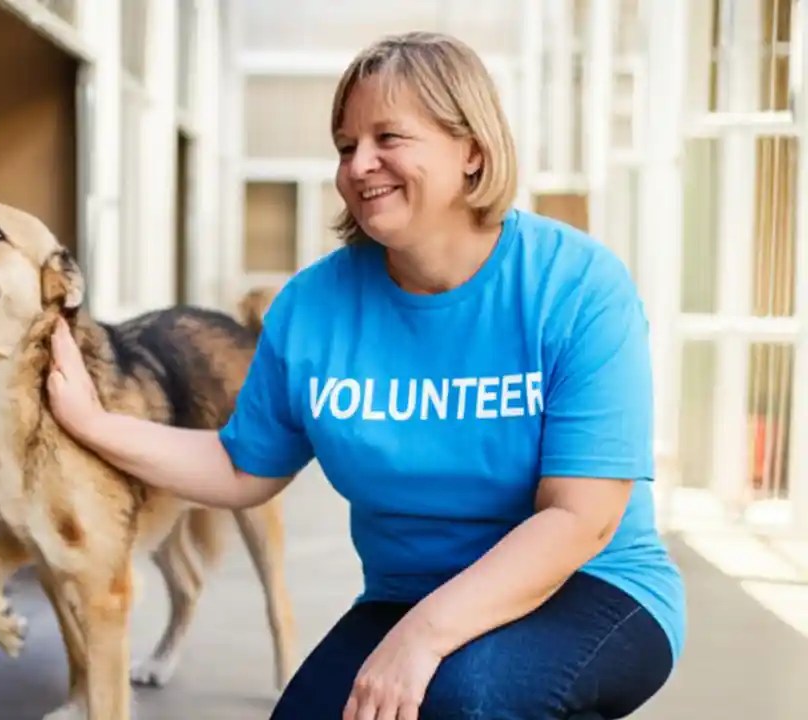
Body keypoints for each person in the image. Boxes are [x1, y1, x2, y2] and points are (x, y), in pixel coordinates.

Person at [45, 30, 685, 720]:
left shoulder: (576, 286)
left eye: (389, 137)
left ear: (472, 149)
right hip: (405, 591)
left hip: (589, 586)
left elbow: (579, 519)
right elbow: (240, 467)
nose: (360, 165)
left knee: (467, 697)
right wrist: (94, 423)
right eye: (346, 145)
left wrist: (421, 640)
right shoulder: (313, 307)